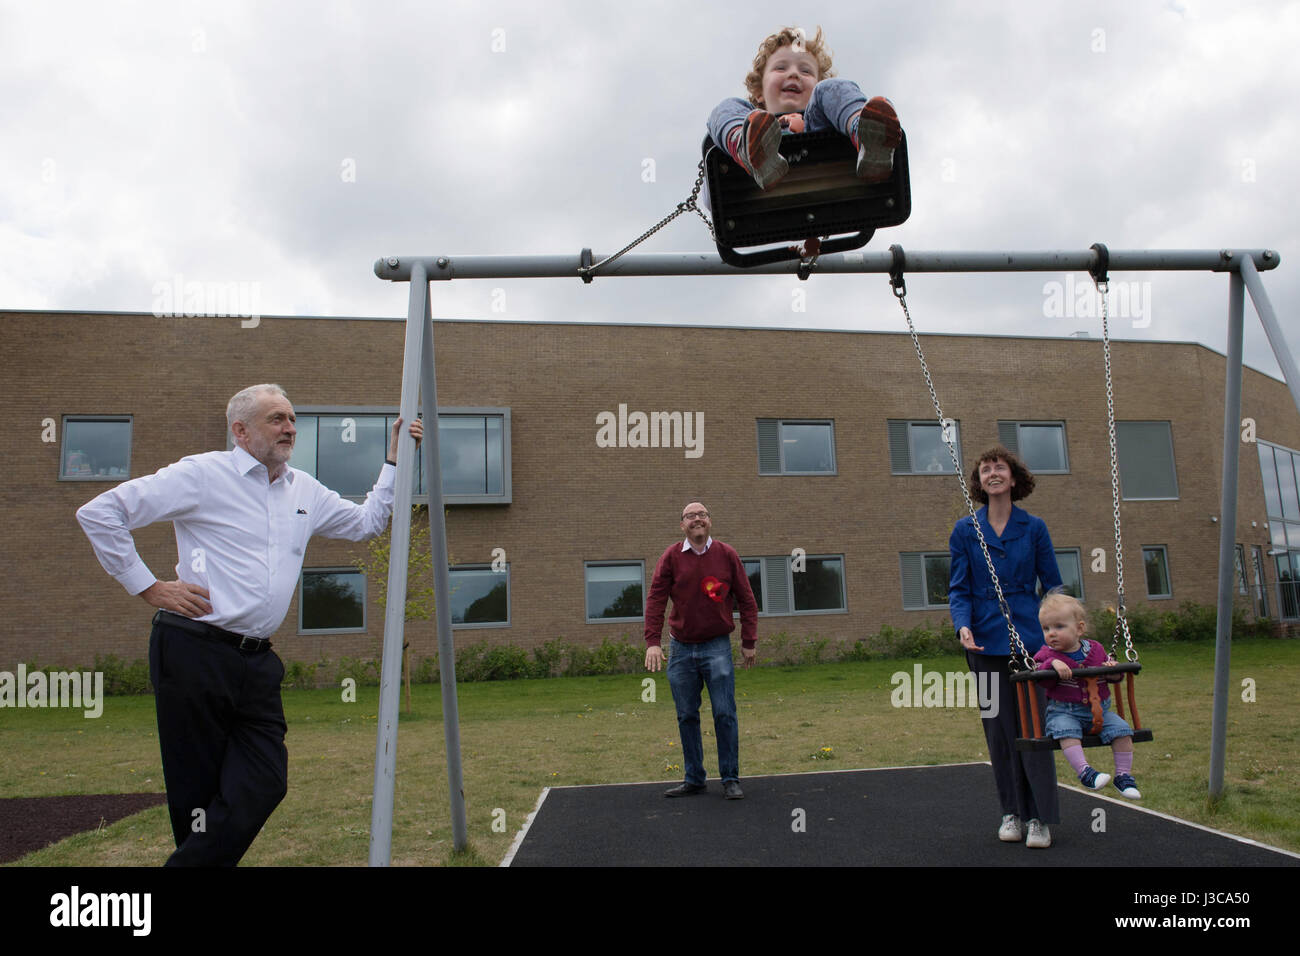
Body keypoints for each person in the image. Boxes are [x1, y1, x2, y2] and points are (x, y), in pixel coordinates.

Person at [76, 384, 422, 866]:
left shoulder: (304, 489)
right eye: (276, 419)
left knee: (264, 781)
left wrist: (391, 463)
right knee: (196, 795)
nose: (289, 428)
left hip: (257, 661)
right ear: (240, 431)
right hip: (193, 650)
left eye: (292, 418)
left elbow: (367, 523)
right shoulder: (201, 474)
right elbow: (100, 512)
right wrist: (150, 588)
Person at [948, 446, 1062, 848]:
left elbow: (1053, 586)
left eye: (1000, 468)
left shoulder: (1034, 528)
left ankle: (1040, 819)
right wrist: (962, 626)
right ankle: (1011, 812)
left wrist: (1062, 633)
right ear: (979, 483)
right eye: (985, 469)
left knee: (1033, 731)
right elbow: (958, 588)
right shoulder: (965, 531)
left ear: (1014, 479)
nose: (993, 473)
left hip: (1029, 643)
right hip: (983, 644)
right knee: (998, 733)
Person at [644, 502, 758, 799]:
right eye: (691, 516)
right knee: (686, 716)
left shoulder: (727, 555)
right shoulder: (670, 557)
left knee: (724, 713)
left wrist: (749, 641)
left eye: (703, 515)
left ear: (710, 522)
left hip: (717, 647)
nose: (697, 519)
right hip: (681, 649)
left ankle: (730, 778)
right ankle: (694, 778)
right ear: (682, 525)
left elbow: (746, 599)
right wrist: (652, 642)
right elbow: (656, 600)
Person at [707, 25, 902, 190]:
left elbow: (825, 92)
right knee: (725, 108)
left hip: (820, 140)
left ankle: (867, 136)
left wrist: (824, 97)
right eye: (781, 68)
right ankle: (747, 149)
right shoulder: (749, 116)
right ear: (759, 91)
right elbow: (709, 199)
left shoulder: (822, 107)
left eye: (806, 71)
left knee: (833, 87)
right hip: (759, 156)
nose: (794, 74)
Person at [1034, 590, 1141, 799]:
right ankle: (1085, 772)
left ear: (1079, 628)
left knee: (1123, 730)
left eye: (1059, 626)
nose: (1051, 633)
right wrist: (1051, 665)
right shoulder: (1047, 653)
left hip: (1100, 711)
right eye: (1046, 628)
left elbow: (1114, 679)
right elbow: (1041, 677)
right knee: (1066, 732)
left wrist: (1112, 669)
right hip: (1064, 712)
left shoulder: (1096, 649)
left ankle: (1123, 776)